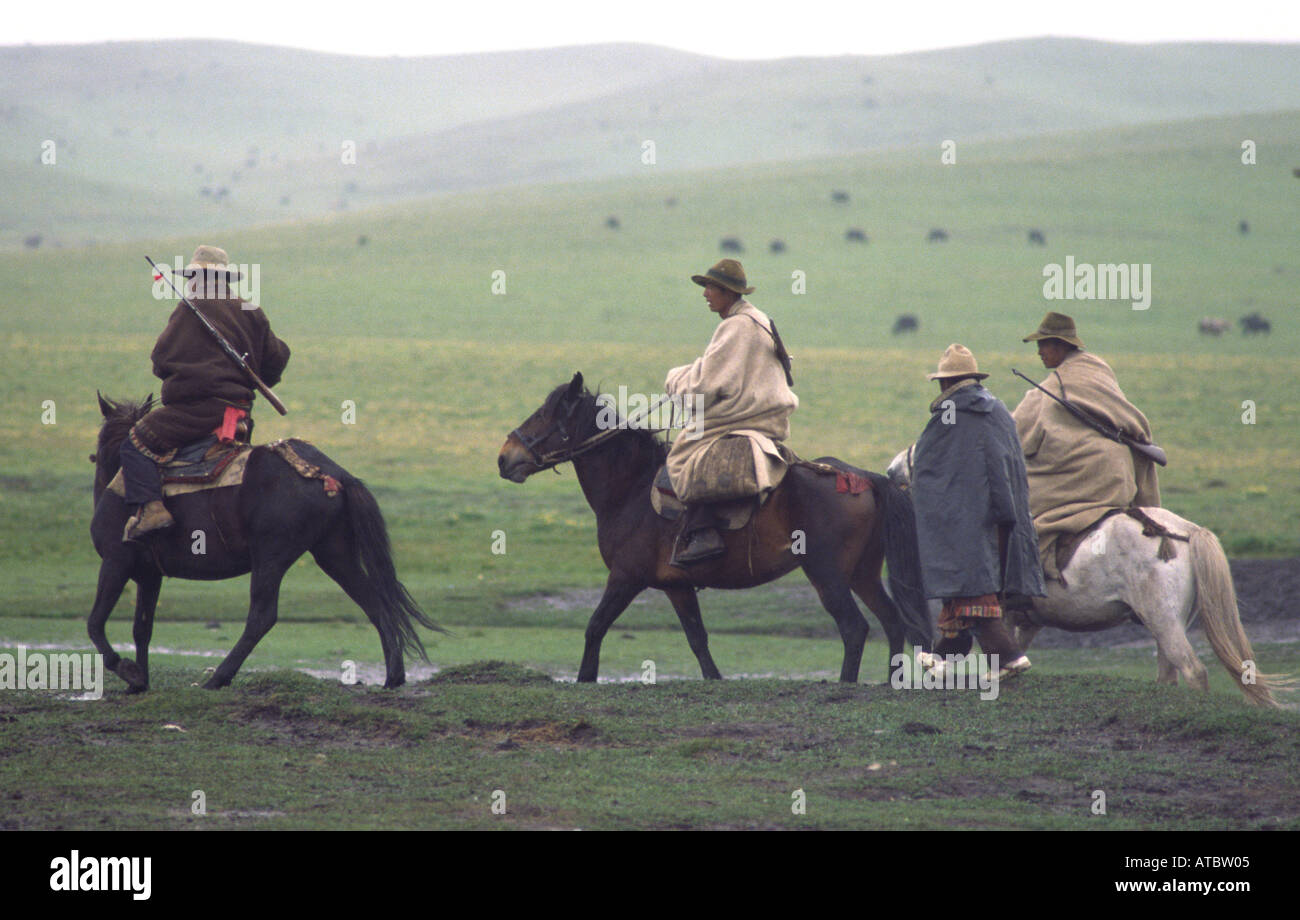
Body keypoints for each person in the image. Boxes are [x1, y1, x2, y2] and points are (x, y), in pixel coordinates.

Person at [120, 245, 291, 540]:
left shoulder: (190, 308)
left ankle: (151, 510)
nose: (190, 283)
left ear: (197, 277)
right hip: (240, 411)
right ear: (225, 279)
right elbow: (277, 358)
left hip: (197, 412)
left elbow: (160, 360)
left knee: (134, 443)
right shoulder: (250, 309)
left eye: (192, 277)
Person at [910, 344, 1043, 675]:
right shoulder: (997, 411)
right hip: (1003, 520)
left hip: (970, 525)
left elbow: (932, 472)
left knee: (974, 593)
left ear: (945, 382)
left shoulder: (950, 416)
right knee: (970, 591)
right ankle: (942, 659)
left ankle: (1009, 658)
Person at [663, 259, 797, 565]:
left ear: (727, 292)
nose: (705, 294)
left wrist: (674, 379)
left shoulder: (735, 326)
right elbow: (720, 371)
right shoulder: (757, 319)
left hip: (745, 416)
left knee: (685, 454)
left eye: (710, 287)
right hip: (763, 413)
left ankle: (704, 532)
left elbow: (704, 386)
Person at [1012, 311, 1160, 582]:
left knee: (1020, 507)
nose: (1039, 352)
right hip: (1122, 478)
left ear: (1058, 345)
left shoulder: (1054, 386)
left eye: (1043, 345)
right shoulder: (1098, 369)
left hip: (1091, 479)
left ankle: (1026, 582)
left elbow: (1017, 436)